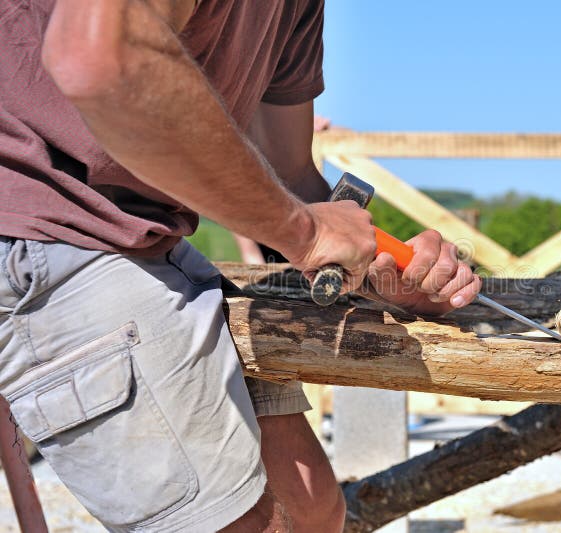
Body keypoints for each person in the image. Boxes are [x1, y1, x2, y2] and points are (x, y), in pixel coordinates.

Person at [0, 1, 481, 532]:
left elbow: (290, 175)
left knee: (311, 510)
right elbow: (99, 58)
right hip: (36, 229)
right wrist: (307, 233)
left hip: (148, 236)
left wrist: (382, 272)